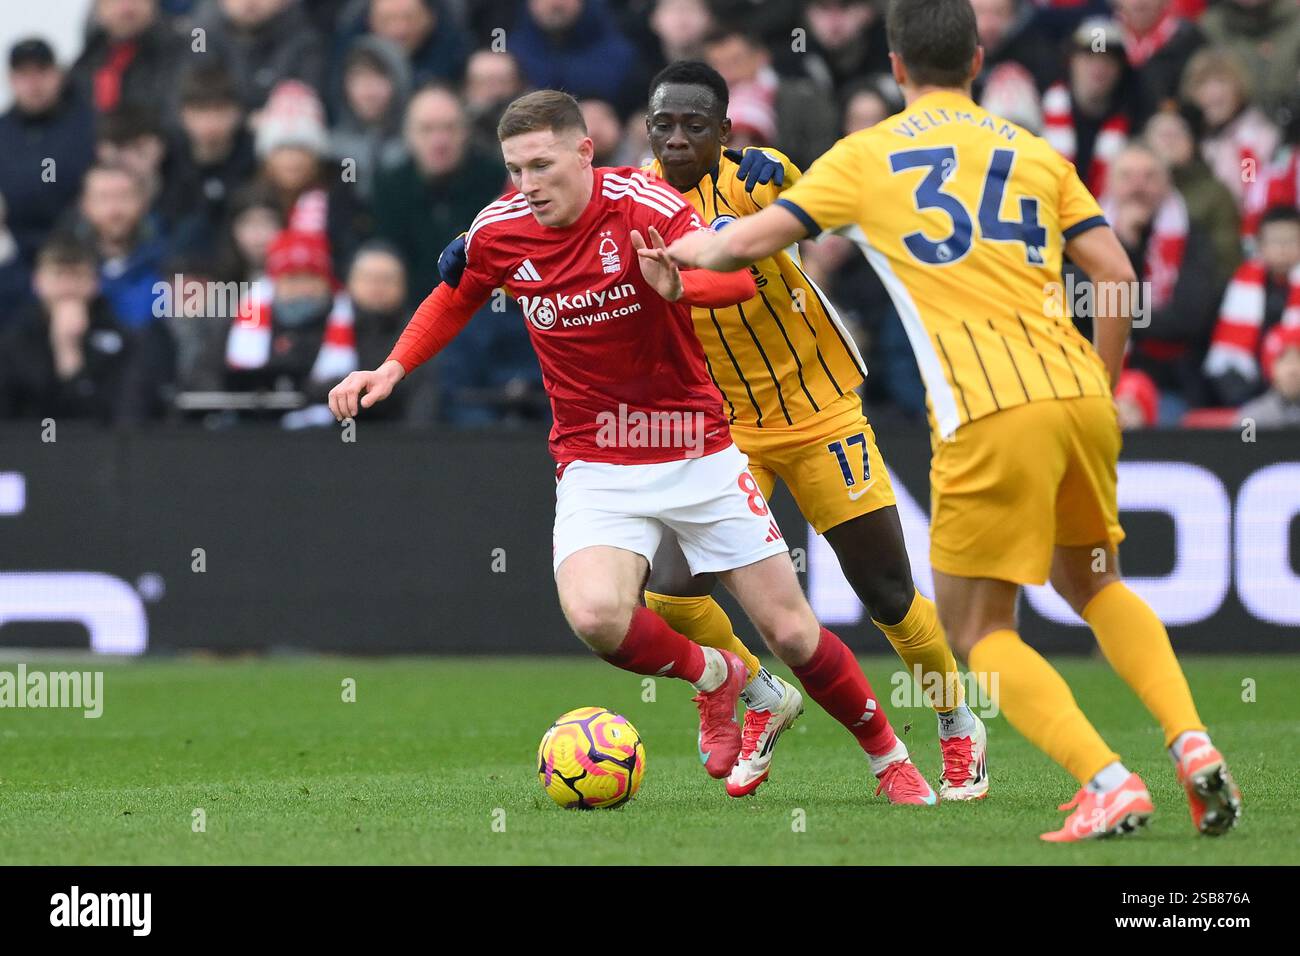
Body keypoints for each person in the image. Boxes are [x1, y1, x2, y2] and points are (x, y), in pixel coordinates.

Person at [662, 0, 1242, 840]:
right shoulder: (1035, 150)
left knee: (980, 630)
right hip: (1077, 392)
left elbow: (737, 250)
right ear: (978, 60)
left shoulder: (866, 157)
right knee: (1096, 583)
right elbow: (1115, 272)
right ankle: (1191, 745)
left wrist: (669, 255)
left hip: (982, 408)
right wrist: (1105, 386)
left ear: (895, 67)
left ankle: (1108, 781)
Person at [329, 90, 939, 804]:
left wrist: (681, 284)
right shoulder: (500, 227)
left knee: (794, 634)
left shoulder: (645, 205)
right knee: (595, 618)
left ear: (585, 152)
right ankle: (722, 678)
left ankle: (887, 756)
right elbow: (457, 293)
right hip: (597, 463)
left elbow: (737, 277)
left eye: (542, 165)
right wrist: (392, 367)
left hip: (698, 451)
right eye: (515, 168)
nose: (528, 185)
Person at [1204, 206, 1300, 406]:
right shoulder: (1241, 283)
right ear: (1260, 245)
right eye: (1275, 241)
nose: (1282, 249)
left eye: (1290, 241)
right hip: (1249, 384)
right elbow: (1227, 354)